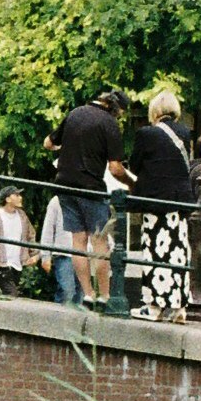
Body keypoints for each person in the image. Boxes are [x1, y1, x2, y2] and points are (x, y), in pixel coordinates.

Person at [50, 89, 130, 306]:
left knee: (78, 241)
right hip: (90, 186)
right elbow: (114, 167)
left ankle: (87, 294)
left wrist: (67, 147)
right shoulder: (109, 123)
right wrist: (132, 182)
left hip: (65, 184)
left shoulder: (75, 113)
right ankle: (105, 297)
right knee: (99, 243)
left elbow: (48, 143)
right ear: (116, 109)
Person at [127, 86, 198, 320]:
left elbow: (135, 166)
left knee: (156, 251)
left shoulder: (147, 134)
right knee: (177, 251)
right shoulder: (185, 133)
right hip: (180, 202)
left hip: (156, 202)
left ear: (155, 110)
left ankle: (154, 306)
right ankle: (180, 307)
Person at [0, 181, 36, 290]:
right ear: (7, 199)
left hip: (17, 265)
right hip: (0, 265)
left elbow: (30, 235)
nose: (20, 198)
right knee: (11, 294)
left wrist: (35, 254)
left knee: (10, 298)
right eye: (16, 195)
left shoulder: (22, 216)